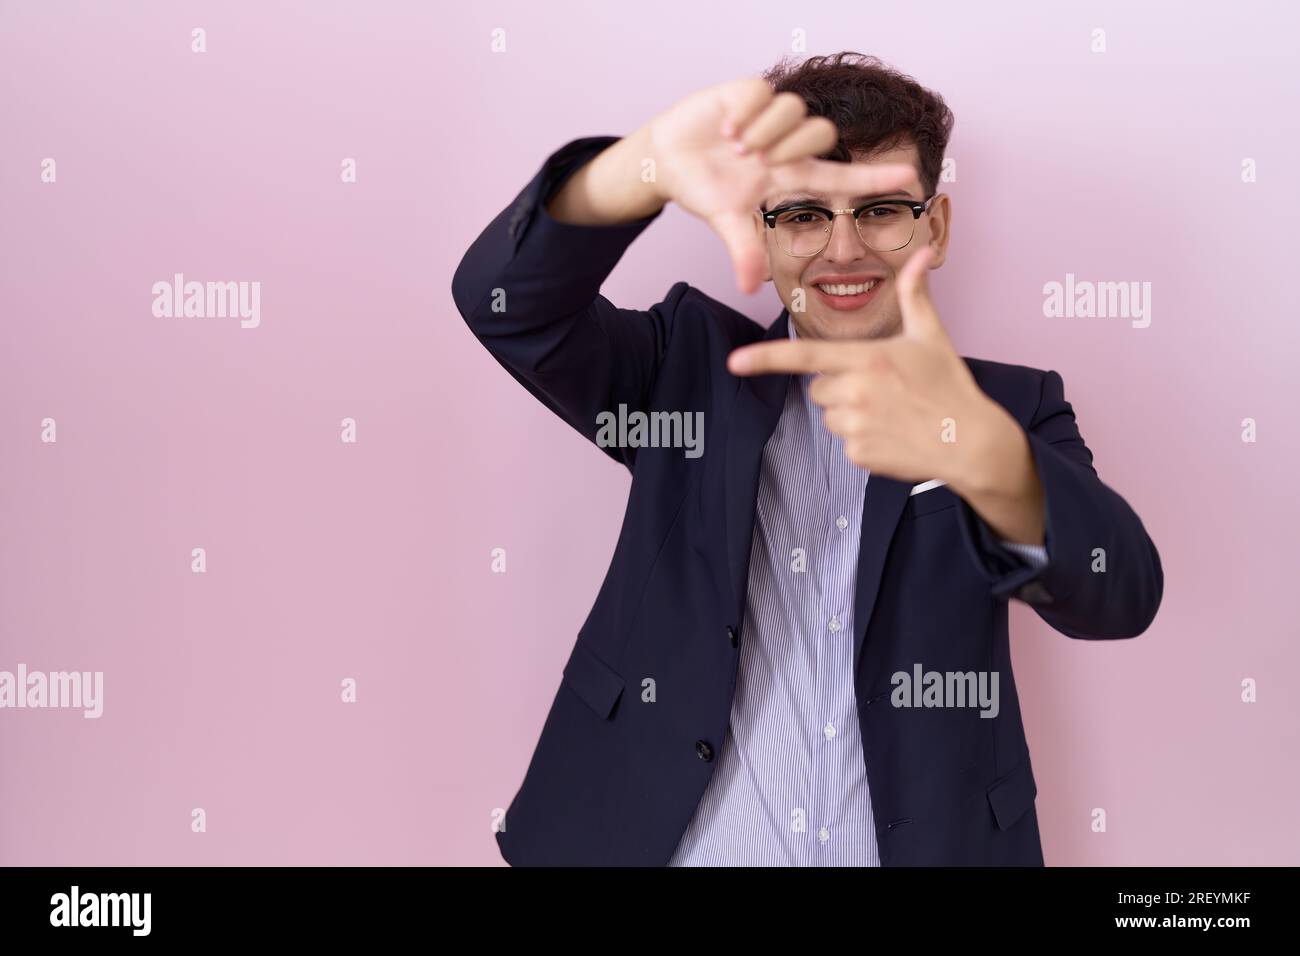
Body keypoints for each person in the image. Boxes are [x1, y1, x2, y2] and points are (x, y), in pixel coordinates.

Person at [451, 52, 1163, 866]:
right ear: (762, 226)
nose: (843, 249)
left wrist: (978, 448)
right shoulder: (685, 371)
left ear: (935, 226)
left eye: (883, 210)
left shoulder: (1010, 408)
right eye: (804, 216)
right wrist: (636, 169)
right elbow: (501, 304)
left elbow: (1119, 593)